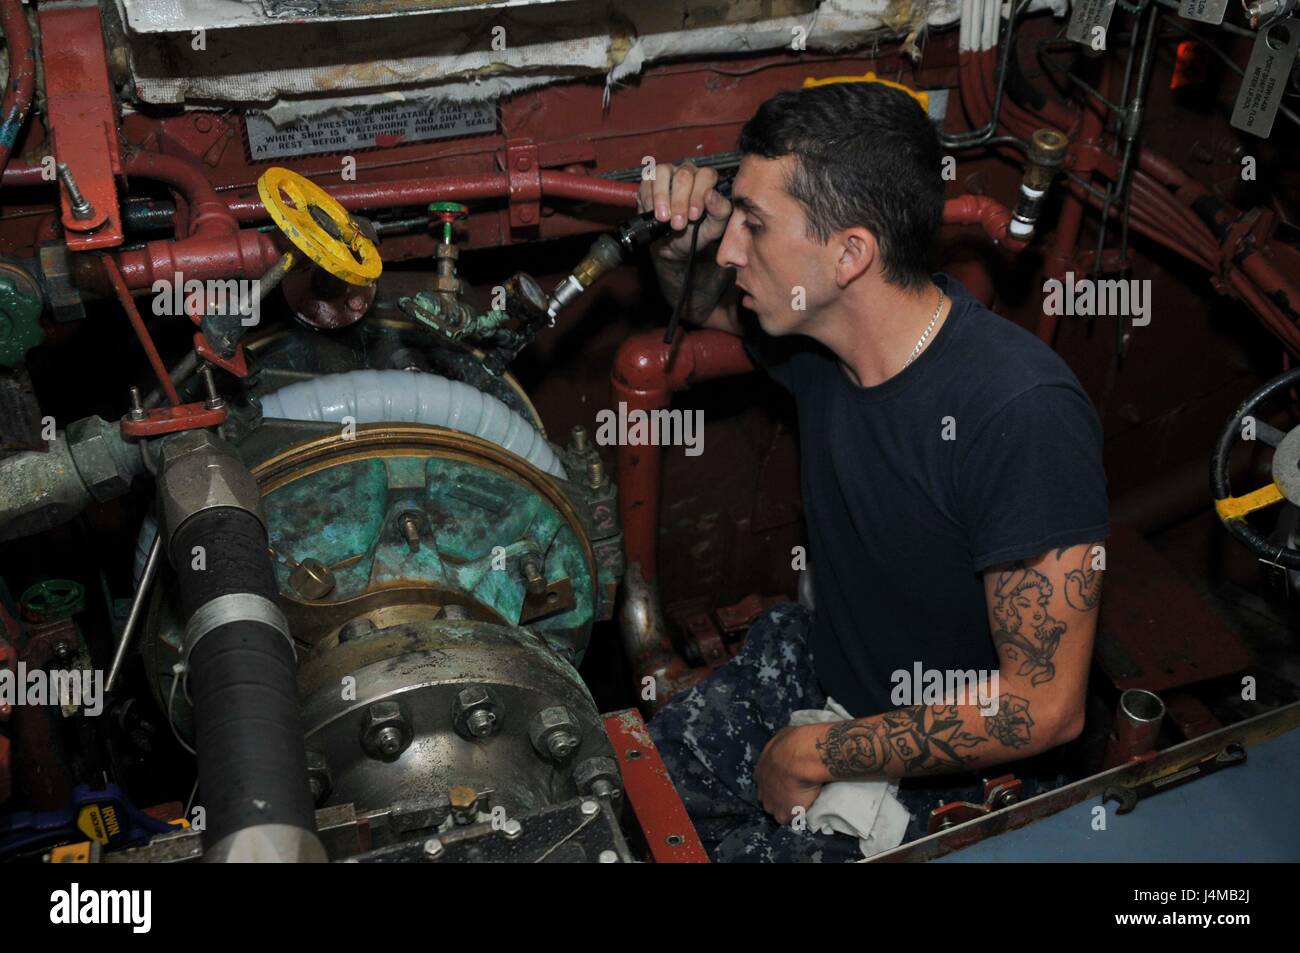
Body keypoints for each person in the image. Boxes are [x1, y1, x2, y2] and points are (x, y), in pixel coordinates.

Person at [639, 81, 1109, 862]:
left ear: (850, 254)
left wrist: (820, 752)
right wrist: (675, 247)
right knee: (635, 792)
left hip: (954, 767)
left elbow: (1046, 707)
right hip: (829, 666)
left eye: (753, 226)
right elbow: (699, 305)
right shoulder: (817, 337)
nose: (731, 251)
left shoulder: (1019, 412)